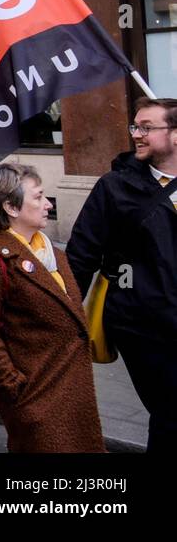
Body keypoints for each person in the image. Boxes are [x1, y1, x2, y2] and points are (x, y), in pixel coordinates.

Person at [0, 163, 105, 453]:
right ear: (11, 208)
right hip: (36, 396)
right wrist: (14, 390)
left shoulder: (51, 252)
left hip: (70, 390)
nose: (48, 204)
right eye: (38, 197)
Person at [67, 98, 177, 452]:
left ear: (175, 135)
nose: (137, 135)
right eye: (135, 127)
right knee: (170, 411)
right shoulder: (114, 187)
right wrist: (61, 318)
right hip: (141, 323)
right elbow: (80, 257)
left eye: (147, 127)